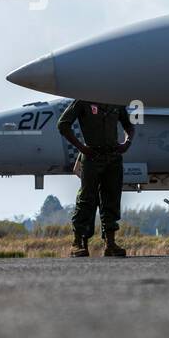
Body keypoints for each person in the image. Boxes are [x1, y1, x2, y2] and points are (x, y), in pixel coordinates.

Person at [58, 100, 135, 257]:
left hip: (113, 157)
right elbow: (63, 125)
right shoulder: (83, 100)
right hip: (92, 156)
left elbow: (129, 125)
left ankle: (110, 242)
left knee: (112, 198)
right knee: (87, 198)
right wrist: (82, 148)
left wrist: (127, 142)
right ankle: (78, 243)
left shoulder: (114, 101)